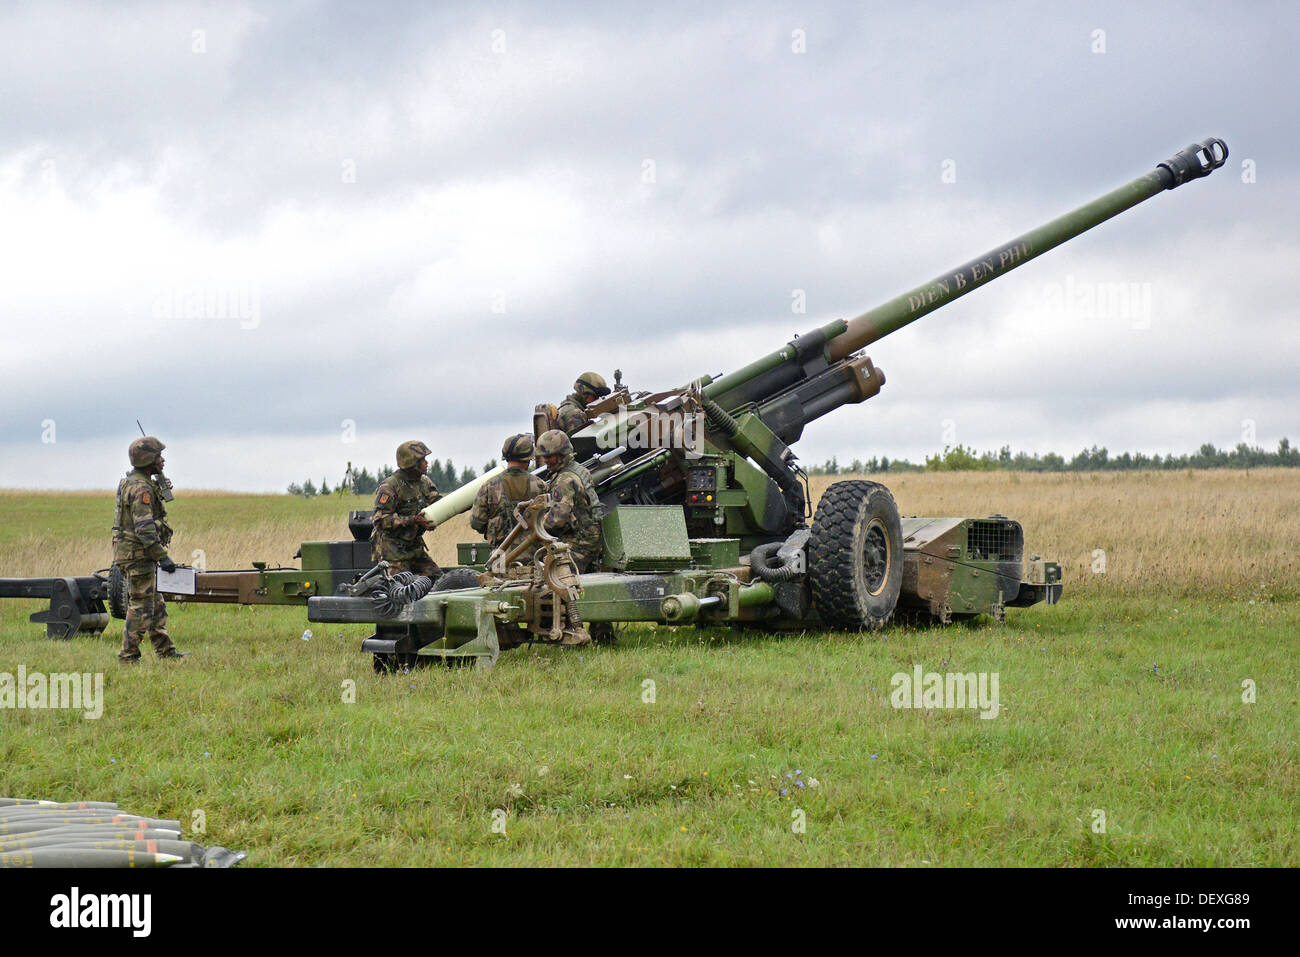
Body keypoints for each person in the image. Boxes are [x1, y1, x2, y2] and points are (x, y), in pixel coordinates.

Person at [112, 436, 187, 663]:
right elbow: (143, 528)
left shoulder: (133, 482)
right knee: (140, 606)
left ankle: (166, 652)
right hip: (138, 554)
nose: (162, 460)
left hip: (132, 553)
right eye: (157, 456)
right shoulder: (141, 488)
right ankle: (128, 656)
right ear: (146, 459)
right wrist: (162, 557)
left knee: (155, 604)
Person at [371, 440, 443, 578]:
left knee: (438, 580)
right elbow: (380, 520)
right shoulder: (390, 487)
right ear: (412, 464)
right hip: (392, 552)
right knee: (400, 589)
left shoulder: (424, 482)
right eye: (422, 460)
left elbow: (437, 502)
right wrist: (413, 521)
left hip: (413, 548)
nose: (426, 463)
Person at [536, 429, 603, 573]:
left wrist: (536, 527)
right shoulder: (579, 470)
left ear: (561, 454)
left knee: (552, 575)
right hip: (590, 538)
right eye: (544, 456)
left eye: (549, 456)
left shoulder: (564, 480)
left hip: (579, 542)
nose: (545, 460)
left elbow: (555, 520)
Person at [470, 434, 547, 547]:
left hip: (500, 556)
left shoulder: (489, 486)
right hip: (534, 557)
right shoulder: (540, 485)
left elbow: (476, 523)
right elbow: (549, 522)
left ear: (505, 457)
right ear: (529, 459)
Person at [554, 371, 610, 435]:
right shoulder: (575, 414)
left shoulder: (569, 407)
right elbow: (580, 443)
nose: (598, 400)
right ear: (584, 394)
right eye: (595, 396)